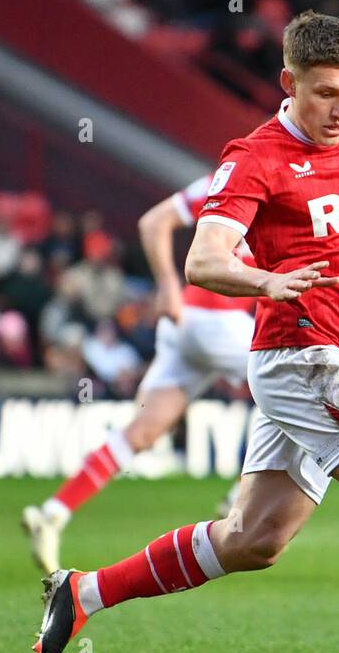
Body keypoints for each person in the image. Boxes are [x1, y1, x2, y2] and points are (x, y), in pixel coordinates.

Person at [32, 11, 339, 653]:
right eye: (325, 92)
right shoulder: (257, 157)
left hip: (330, 356)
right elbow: (203, 258)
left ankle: (82, 592)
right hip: (298, 354)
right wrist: (263, 281)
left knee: (254, 540)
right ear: (288, 82)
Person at [22, 173, 258, 572]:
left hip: (183, 323)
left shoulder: (224, 178)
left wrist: (168, 287)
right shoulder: (272, 179)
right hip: (219, 324)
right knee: (300, 394)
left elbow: (154, 222)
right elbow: (153, 223)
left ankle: (53, 512)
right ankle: (241, 494)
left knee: (143, 431)